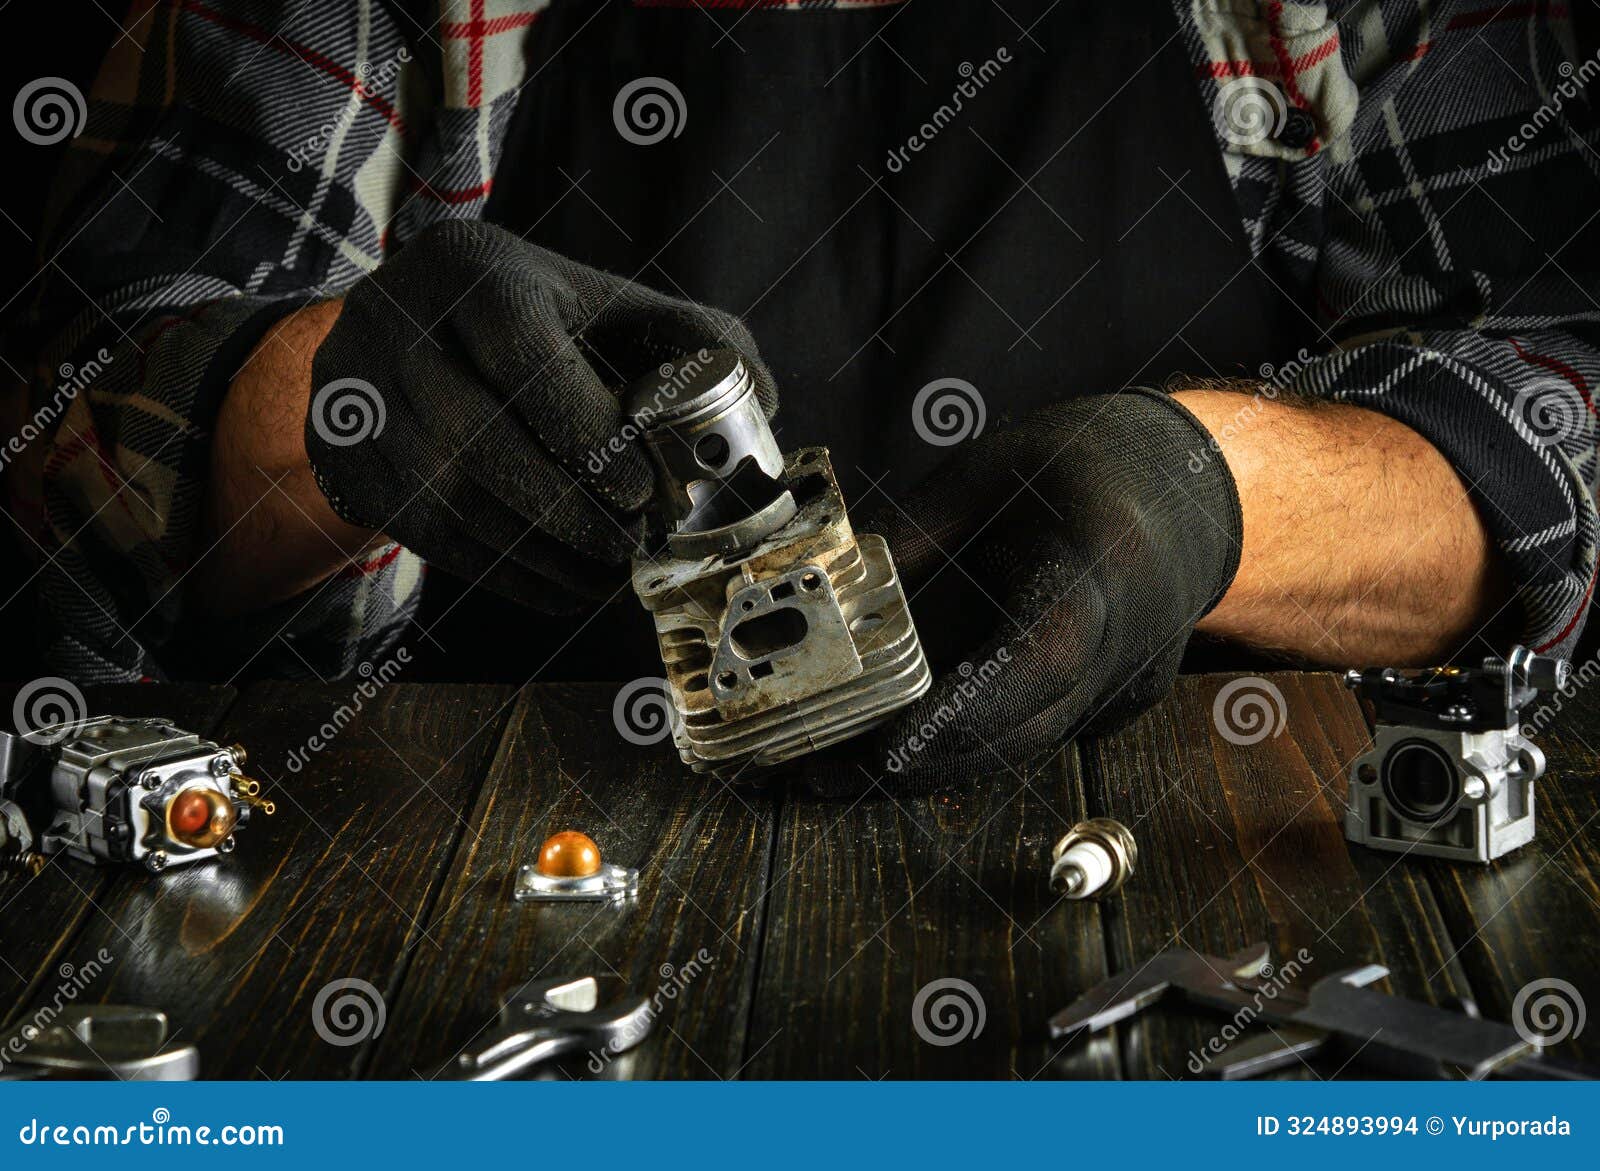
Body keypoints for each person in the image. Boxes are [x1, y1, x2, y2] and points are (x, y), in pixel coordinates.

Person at [6, 0, 1596, 792]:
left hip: (1222, 882)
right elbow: (57, 493)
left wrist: (1208, 494)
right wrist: (329, 404)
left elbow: (1563, 381)